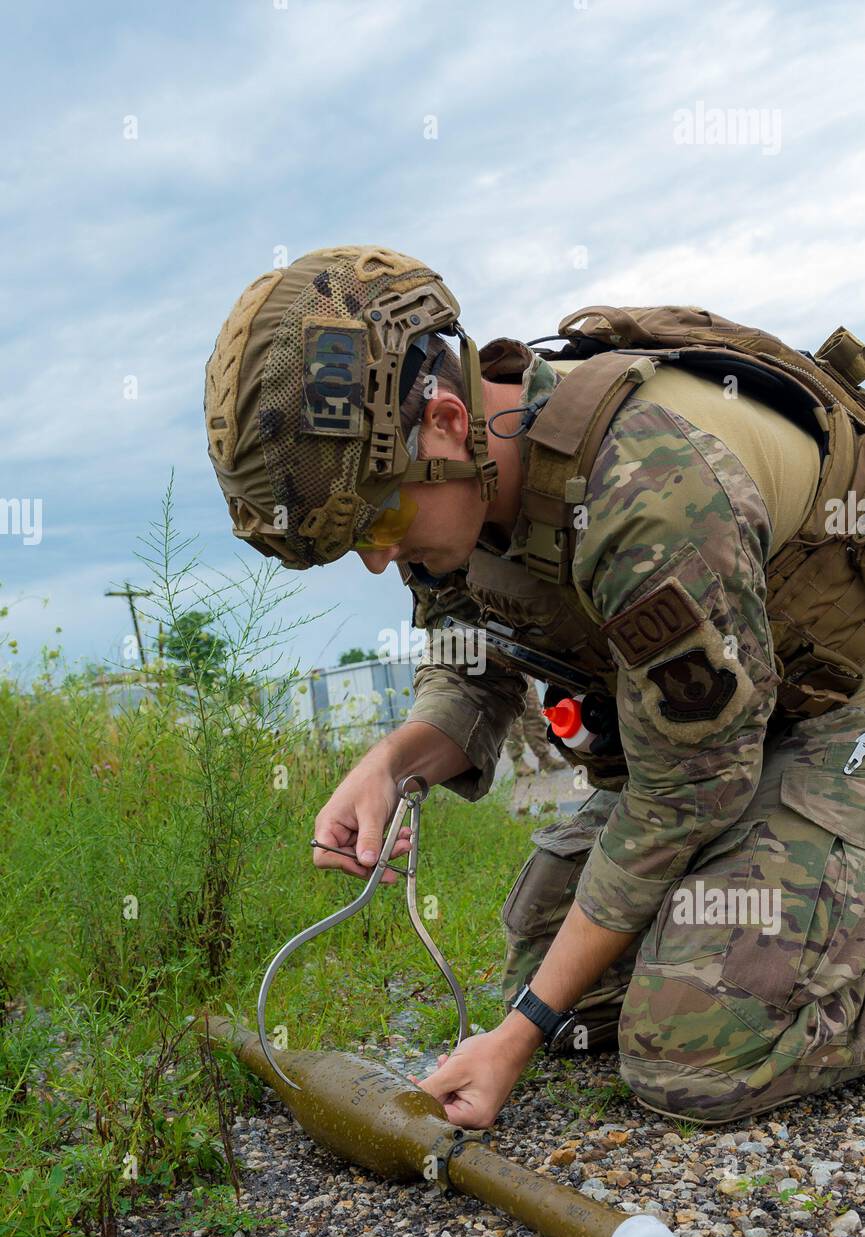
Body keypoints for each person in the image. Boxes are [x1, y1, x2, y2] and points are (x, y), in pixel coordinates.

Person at [204, 244, 865, 1129]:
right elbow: (470, 658)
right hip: (739, 733)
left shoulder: (650, 496)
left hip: (833, 718)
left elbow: (688, 788)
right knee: (569, 999)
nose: (374, 559)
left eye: (381, 520)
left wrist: (514, 1035)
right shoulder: (454, 485)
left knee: (695, 1052)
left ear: (444, 418)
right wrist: (396, 763)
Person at [503, 680, 563, 776]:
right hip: (502, 675)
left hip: (522, 672)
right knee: (513, 719)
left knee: (533, 712)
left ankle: (544, 757)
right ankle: (518, 761)